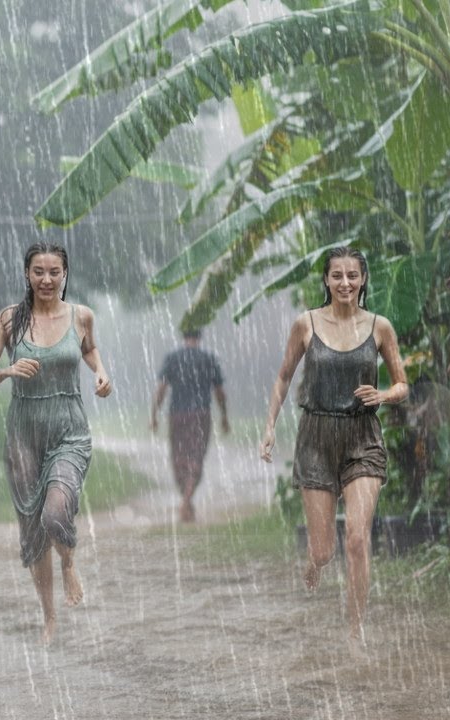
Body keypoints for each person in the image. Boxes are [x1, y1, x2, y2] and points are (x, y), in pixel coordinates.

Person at [259, 246, 408, 647]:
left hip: (363, 438)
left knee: (357, 538)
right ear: (325, 280)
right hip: (316, 439)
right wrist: (270, 427)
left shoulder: (380, 327)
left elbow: (402, 383)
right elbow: (283, 377)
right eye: (337, 276)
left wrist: (383, 395)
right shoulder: (305, 324)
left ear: (363, 280)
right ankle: (315, 560)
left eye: (352, 276)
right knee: (325, 551)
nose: (345, 283)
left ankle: (355, 630)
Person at [0, 242, 112, 644]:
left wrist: (102, 374)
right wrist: (8, 371)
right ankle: (49, 619)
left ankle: (69, 561)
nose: (47, 279)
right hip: (23, 433)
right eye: (39, 271)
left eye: (54, 272)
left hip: (69, 429)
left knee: (55, 514)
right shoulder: (9, 321)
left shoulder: (81, 316)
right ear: (27, 274)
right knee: (33, 532)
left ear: (65, 274)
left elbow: (89, 351)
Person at [150, 329, 229, 523]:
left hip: (177, 415)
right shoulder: (208, 359)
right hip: (201, 415)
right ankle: (187, 501)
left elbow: (161, 389)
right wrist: (224, 416)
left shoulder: (173, 358)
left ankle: (185, 499)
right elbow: (219, 392)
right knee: (196, 456)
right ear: (200, 336)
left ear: (183, 336)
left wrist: (154, 415)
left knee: (178, 458)